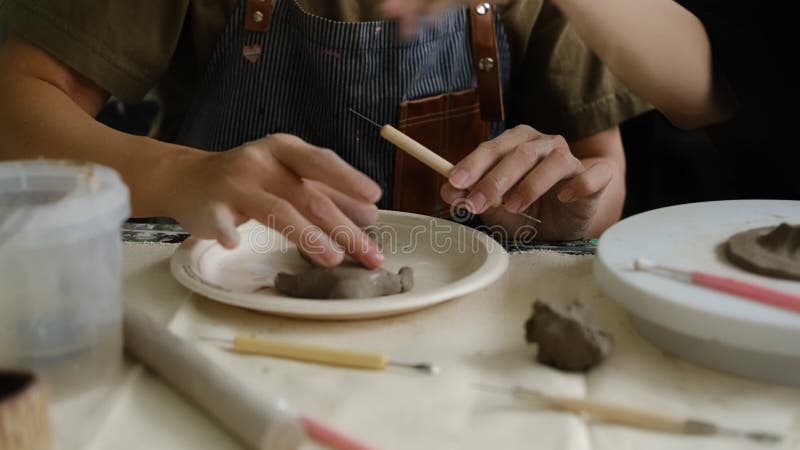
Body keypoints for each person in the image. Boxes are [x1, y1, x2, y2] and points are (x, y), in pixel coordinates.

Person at [0, 0, 649, 268]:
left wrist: (562, 211)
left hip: (464, 302)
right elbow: (15, 109)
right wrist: (182, 174)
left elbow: (598, 164)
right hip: (220, 286)